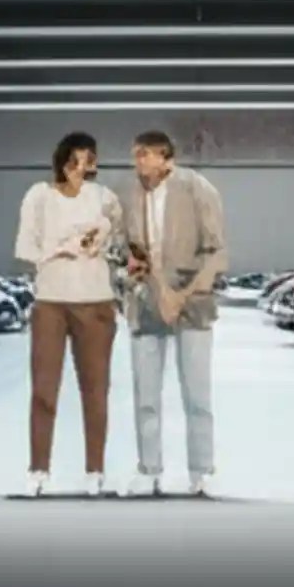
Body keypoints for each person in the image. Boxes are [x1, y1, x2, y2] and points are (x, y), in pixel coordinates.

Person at [117, 130, 228, 497]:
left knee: (196, 393)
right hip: (146, 301)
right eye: (137, 155)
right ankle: (149, 470)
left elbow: (215, 251)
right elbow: (121, 248)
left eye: (147, 155)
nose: (140, 162)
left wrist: (184, 295)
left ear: (167, 159)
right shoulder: (127, 194)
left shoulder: (197, 189)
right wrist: (128, 268)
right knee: (145, 394)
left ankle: (202, 472)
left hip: (192, 303)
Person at [14, 131, 123, 497]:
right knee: (44, 389)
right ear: (62, 161)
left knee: (95, 390)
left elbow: (119, 241)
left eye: (89, 160)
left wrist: (99, 237)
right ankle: (38, 469)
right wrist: (61, 248)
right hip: (51, 301)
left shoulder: (105, 198)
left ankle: (95, 470)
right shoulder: (39, 196)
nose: (82, 168)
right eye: (76, 161)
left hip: (95, 300)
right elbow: (26, 247)